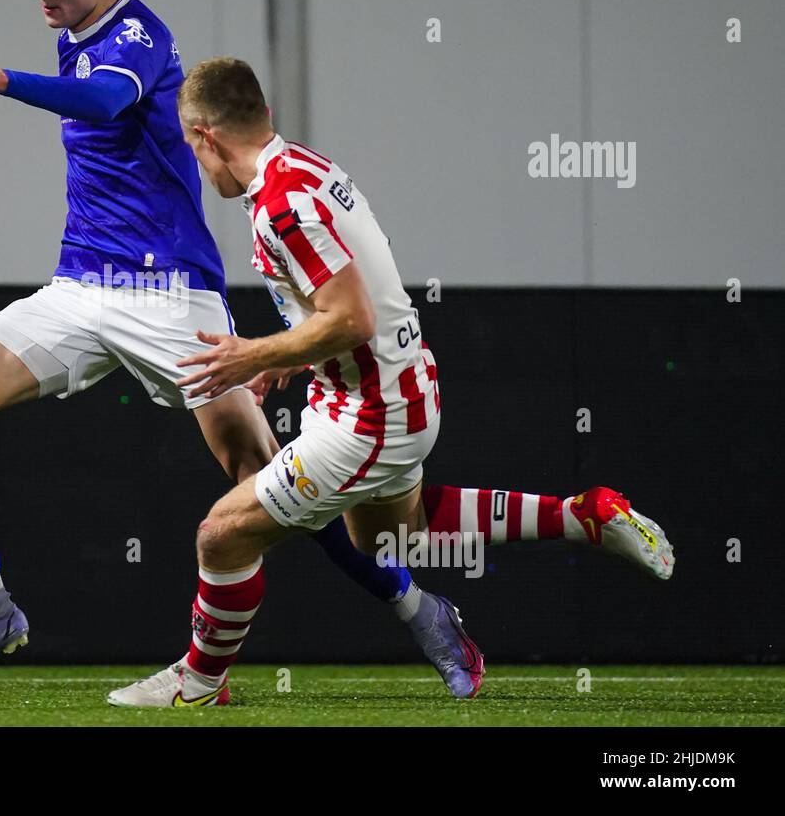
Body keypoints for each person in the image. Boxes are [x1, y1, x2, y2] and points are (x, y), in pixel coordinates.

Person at [0, 0, 481, 698]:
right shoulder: (71, 27)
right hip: (80, 287)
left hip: (170, 295)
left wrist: (3, 82)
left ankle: (416, 607)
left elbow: (107, 104)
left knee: (262, 480)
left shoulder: (140, 35)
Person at [107, 56, 672, 707]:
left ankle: (200, 683)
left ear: (206, 137)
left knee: (223, 534)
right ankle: (586, 516)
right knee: (384, 534)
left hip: (369, 416)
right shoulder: (306, 169)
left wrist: (251, 355)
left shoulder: (281, 206)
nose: (199, 168)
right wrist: (290, 355)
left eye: (192, 147)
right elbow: (347, 301)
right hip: (396, 386)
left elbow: (350, 316)